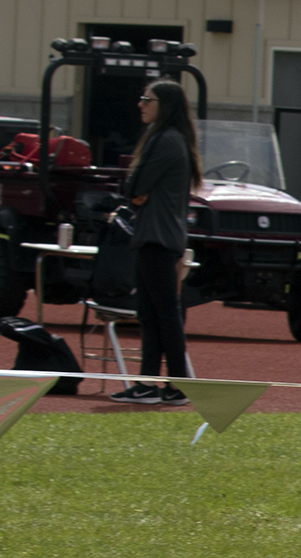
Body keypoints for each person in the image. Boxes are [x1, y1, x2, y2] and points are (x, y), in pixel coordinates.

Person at [106, 79, 200, 406]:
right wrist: (138, 194)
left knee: (164, 312)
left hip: (158, 238)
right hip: (157, 236)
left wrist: (137, 194)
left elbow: (133, 186)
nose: (141, 104)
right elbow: (137, 191)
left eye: (148, 99)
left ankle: (177, 384)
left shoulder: (165, 140)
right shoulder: (171, 140)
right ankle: (148, 383)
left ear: (165, 106)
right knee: (150, 313)